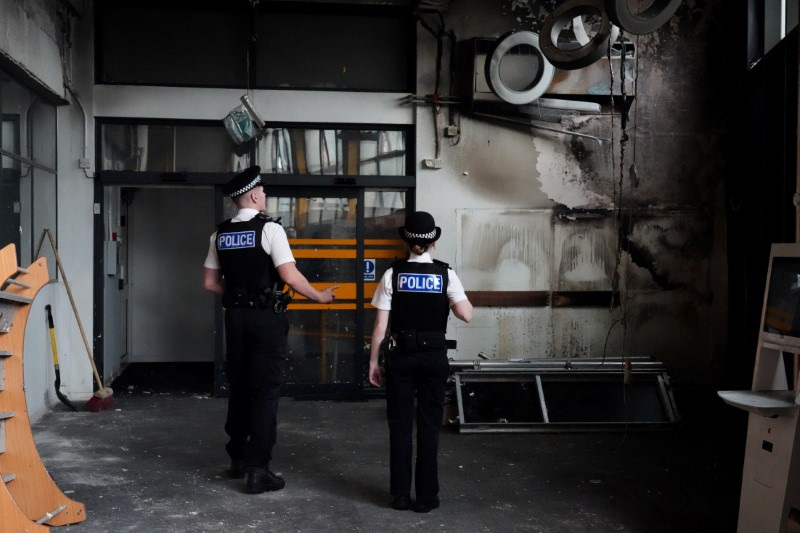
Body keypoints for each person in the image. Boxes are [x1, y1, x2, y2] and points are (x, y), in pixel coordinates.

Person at [203, 165, 338, 494]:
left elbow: (210, 283)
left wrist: (240, 296)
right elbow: (289, 276)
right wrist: (319, 296)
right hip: (266, 320)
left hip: (235, 319)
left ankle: (238, 458)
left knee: (240, 387)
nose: (264, 195)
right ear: (253, 196)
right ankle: (258, 469)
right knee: (264, 392)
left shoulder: (219, 234)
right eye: (262, 191)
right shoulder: (270, 230)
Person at [368, 211, 473, 513]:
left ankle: (400, 495)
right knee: (429, 427)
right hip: (433, 359)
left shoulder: (393, 274)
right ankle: (426, 497)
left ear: (407, 241)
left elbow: (380, 325)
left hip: (400, 357)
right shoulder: (445, 274)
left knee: (400, 426)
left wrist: (374, 362)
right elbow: (466, 315)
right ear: (433, 243)